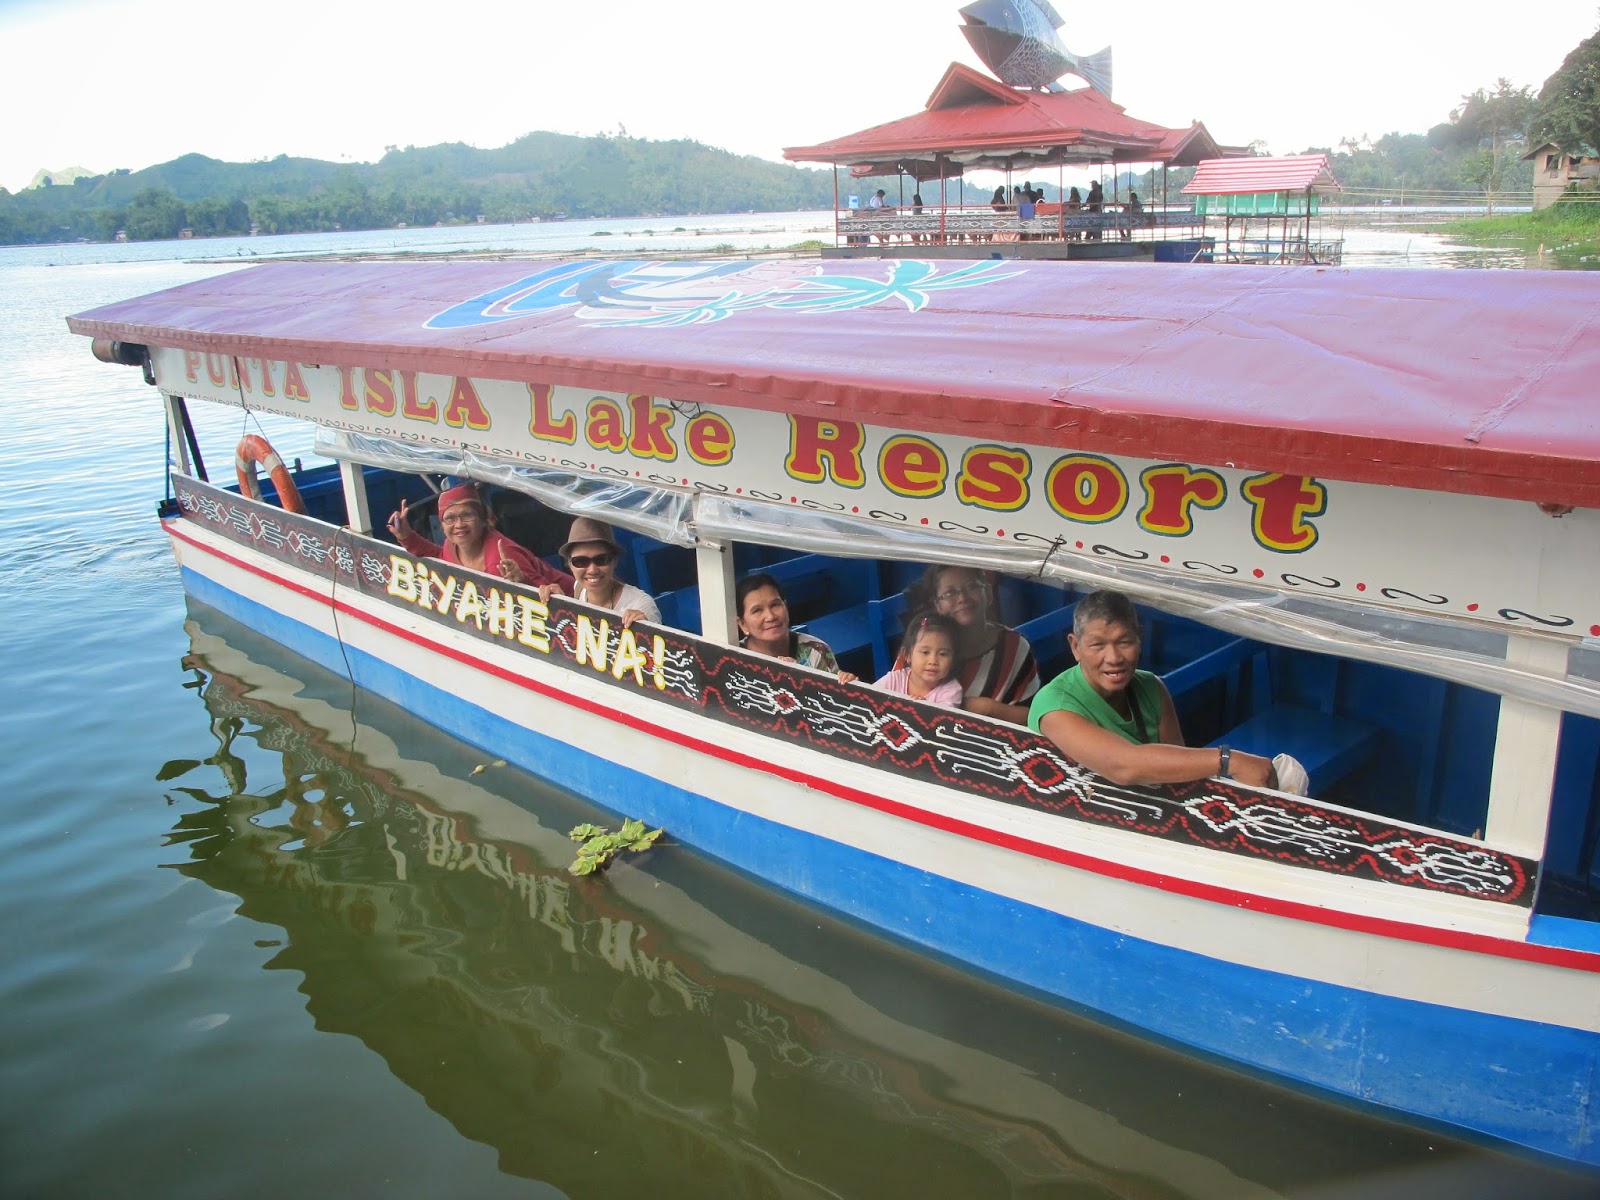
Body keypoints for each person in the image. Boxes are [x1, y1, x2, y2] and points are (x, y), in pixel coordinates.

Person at [1028, 590, 1308, 793]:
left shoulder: (1150, 687)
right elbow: (1122, 766)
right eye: (1098, 645)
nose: (1113, 658)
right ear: (1075, 647)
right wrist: (1227, 760)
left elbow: (1178, 777)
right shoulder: (1055, 704)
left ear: (1140, 638)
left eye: (1124, 642)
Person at [900, 564, 1039, 724]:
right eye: (950, 592)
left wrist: (990, 708)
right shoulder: (921, 644)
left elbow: (1034, 718)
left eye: (972, 586)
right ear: (938, 606)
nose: (962, 598)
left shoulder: (1015, 647)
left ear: (987, 592)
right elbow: (894, 695)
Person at [389, 482, 574, 593]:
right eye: (450, 518)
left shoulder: (501, 557)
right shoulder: (451, 546)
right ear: (442, 525)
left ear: (483, 520)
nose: (459, 525)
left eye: (467, 516)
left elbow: (546, 589)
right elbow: (440, 557)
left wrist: (523, 580)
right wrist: (407, 537)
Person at [537, 516, 659, 629]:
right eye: (580, 561)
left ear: (614, 561)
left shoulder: (641, 604)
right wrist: (560, 606)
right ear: (569, 565)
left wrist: (645, 630)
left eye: (601, 560)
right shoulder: (579, 588)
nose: (592, 570)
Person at [735, 572, 857, 682]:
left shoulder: (816, 651)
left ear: (786, 606)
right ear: (742, 624)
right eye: (757, 611)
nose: (770, 616)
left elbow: (833, 701)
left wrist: (848, 686)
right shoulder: (732, 658)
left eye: (775, 605)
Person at [875, 612, 964, 708]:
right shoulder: (894, 680)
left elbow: (944, 719)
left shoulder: (951, 691)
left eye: (943, 654)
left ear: (953, 660)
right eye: (925, 652)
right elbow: (870, 698)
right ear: (907, 654)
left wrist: (924, 710)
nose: (933, 661)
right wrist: (857, 687)